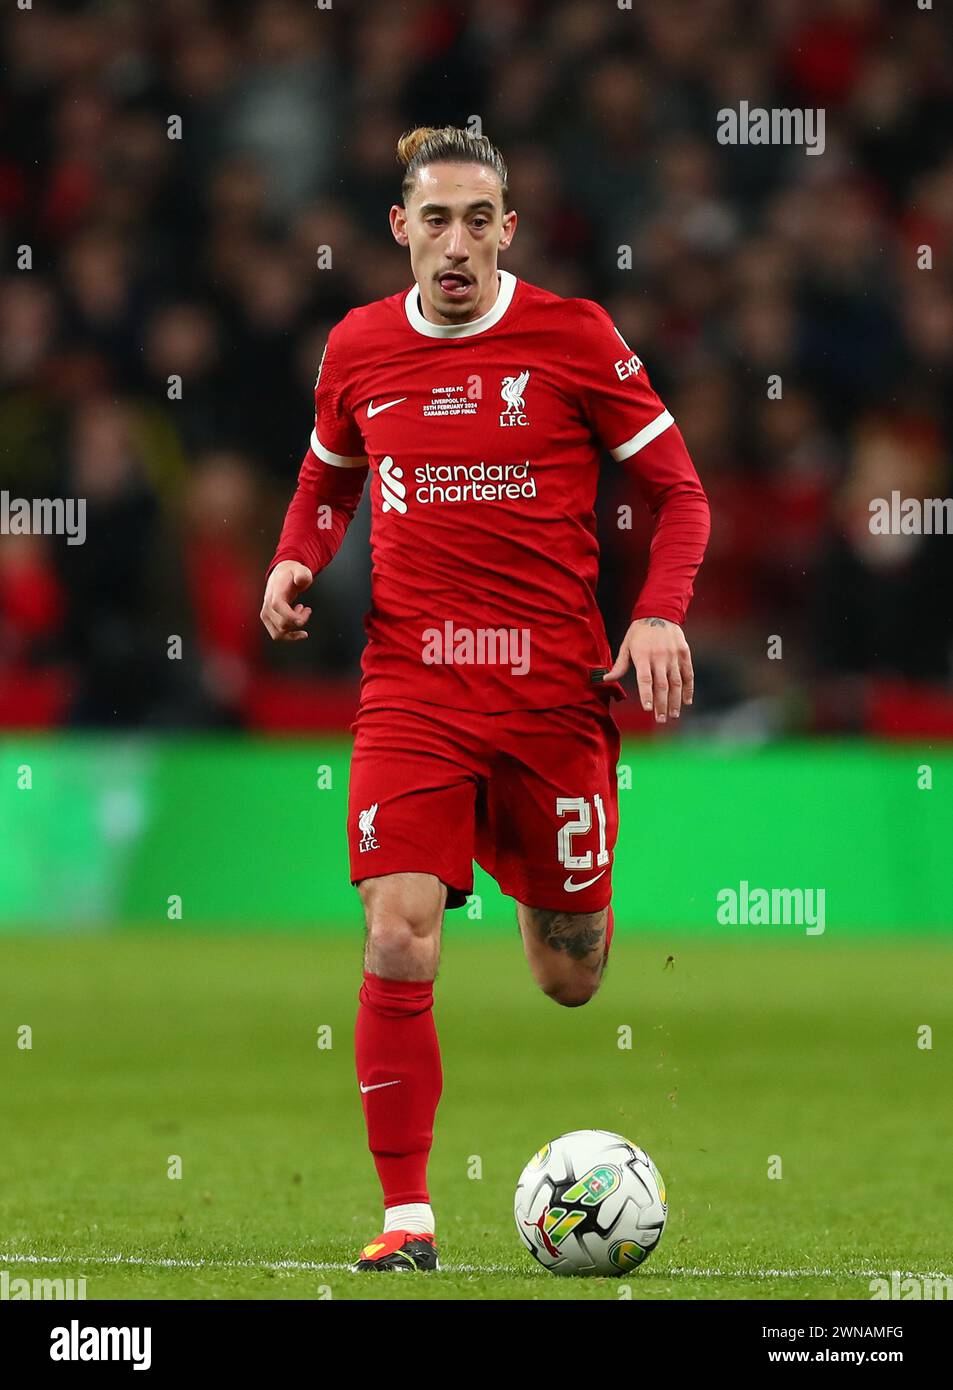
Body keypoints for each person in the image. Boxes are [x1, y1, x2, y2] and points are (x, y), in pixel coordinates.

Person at [261, 126, 710, 1272]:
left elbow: (678, 493)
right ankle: (407, 1218)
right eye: (434, 220)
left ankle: (542, 867)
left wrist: (654, 612)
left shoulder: (571, 337)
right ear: (399, 230)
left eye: (476, 221)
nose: (453, 244)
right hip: (412, 685)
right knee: (399, 934)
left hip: (554, 689)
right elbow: (327, 475)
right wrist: (293, 556)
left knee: (571, 975)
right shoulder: (358, 345)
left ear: (507, 229)